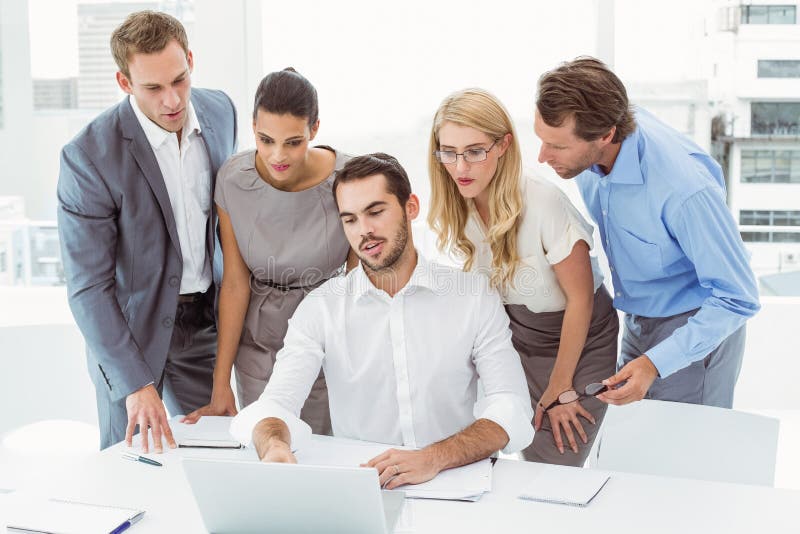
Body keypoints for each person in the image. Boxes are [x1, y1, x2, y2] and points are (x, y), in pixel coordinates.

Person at [229, 153, 533, 488]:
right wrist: (274, 445)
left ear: (410, 207)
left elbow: (511, 406)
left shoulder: (472, 296)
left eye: (375, 212)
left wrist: (433, 458)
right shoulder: (321, 308)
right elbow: (275, 405)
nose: (365, 232)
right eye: (351, 220)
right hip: (367, 491)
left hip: (458, 484)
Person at [57, 10, 237, 452]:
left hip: (203, 327)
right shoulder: (88, 157)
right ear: (124, 83)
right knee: (131, 470)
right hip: (130, 338)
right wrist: (135, 382)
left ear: (190, 60)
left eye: (179, 80)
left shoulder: (222, 112)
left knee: (217, 460)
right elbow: (88, 288)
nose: (172, 100)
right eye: (153, 88)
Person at [534, 57, 760, 408]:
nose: (542, 156)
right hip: (639, 318)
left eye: (558, 146)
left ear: (606, 135)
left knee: (683, 457)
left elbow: (739, 297)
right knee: (635, 450)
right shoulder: (592, 139)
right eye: (542, 140)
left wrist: (657, 361)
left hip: (697, 326)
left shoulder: (684, 189)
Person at [427, 88, 618, 467]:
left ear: (503, 146)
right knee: (473, 452)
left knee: (553, 461)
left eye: (475, 151)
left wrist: (561, 387)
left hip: (578, 342)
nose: (461, 167)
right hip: (517, 340)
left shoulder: (544, 202)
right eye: (449, 152)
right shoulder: (458, 203)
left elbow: (580, 300)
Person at [182, 69, 353, 435]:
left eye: (293, 142)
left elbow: (359, 285)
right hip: (257, 343)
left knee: (322, 457)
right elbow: (234, 284)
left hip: (328, 342)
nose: (278, 155)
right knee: (265, 449)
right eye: (265, 139)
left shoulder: (350, 178)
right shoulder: (232, 179)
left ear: (315, 129)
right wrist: (220, 384)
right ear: (253, 126)